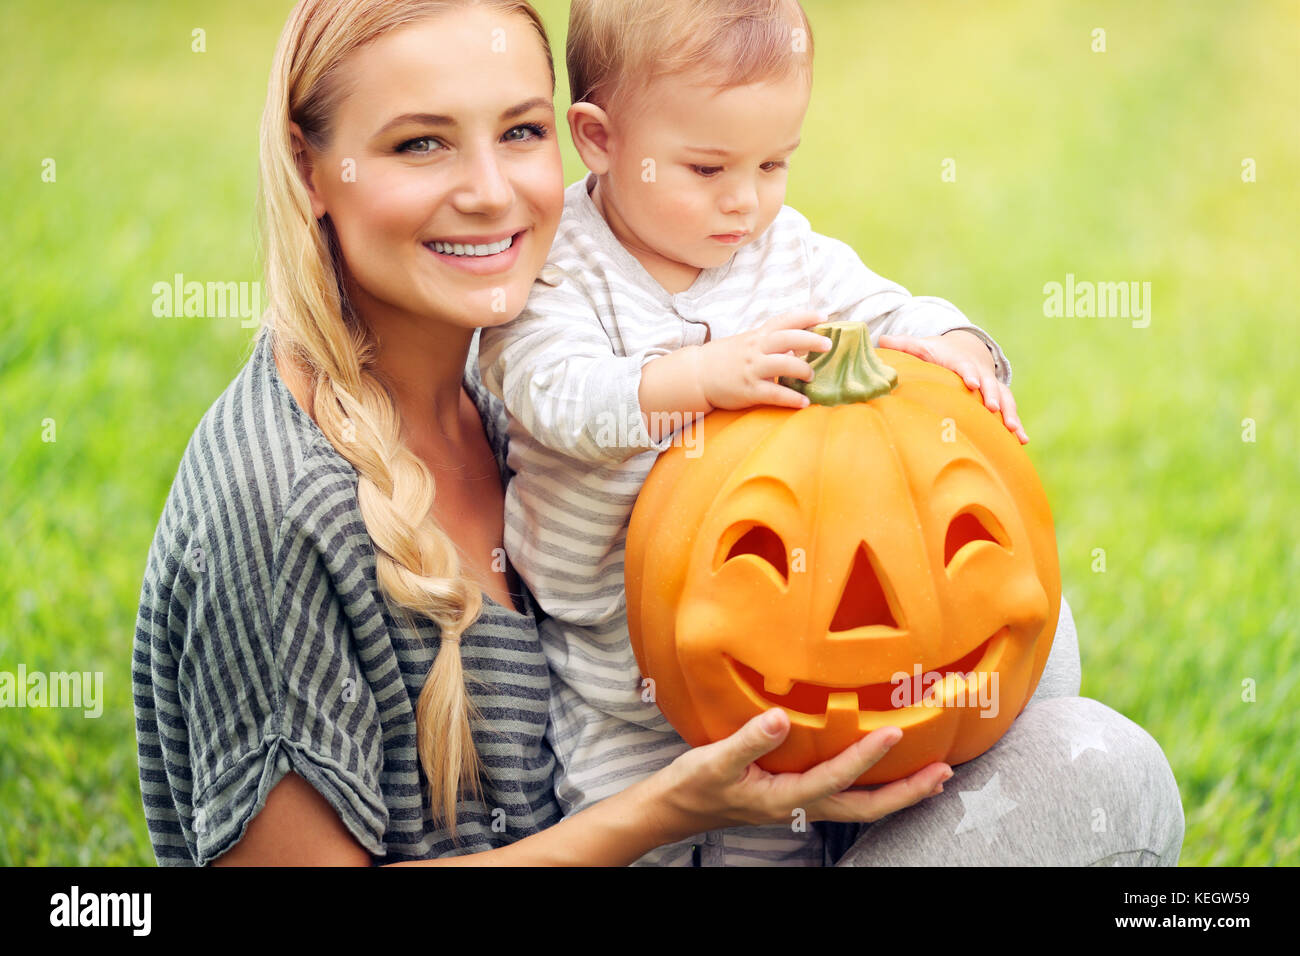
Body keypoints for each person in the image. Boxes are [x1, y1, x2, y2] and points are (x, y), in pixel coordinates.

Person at [131, 0, 955, 867]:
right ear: (309, 168)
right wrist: (667, 811)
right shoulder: (275, 512)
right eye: (421, 143)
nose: (491, 192)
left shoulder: (509, 378)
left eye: (520, 132)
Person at [478, 0, 1185, 866]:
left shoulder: (781, 249)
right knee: (658, 843)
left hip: (789, 625)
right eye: (707, 168)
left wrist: (959, 347)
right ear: (599, 138)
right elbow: (556, 397)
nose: (745, 200)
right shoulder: (560, 268)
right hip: (625, 682)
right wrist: (698, 377)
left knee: (798, 824)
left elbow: (885, 309)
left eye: (774, 162)